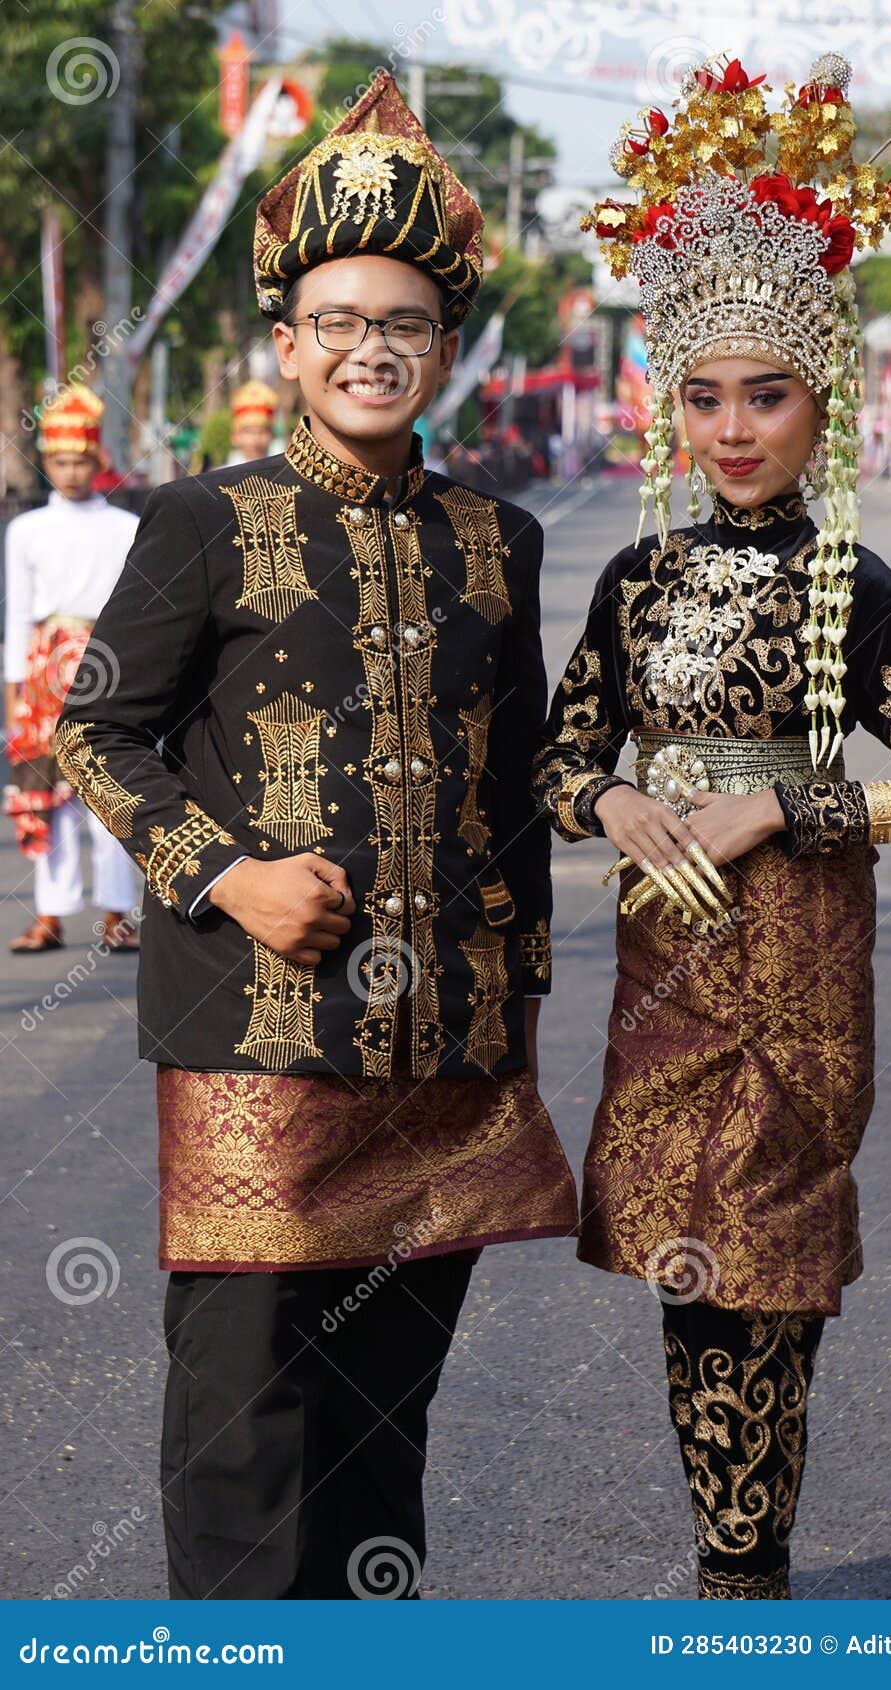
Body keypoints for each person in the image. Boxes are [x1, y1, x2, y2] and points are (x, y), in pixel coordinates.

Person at [55, 71, 577, 1601]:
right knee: (245, 1417)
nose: (370, 349)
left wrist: (517, 1008)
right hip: (254, 1035)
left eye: (404, 323)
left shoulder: (496, 536)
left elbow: (514, 780)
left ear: (445, 347)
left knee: (380, 1421)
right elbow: (93, 730)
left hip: (444, 1049)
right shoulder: (202, 520)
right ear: (285, 341)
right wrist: (227, 873)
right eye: (338, 321)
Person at [533, 51, 891, 1600]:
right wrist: (613, 794)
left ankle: (749, 1564)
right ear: (669, 405)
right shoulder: (634, 582)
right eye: (704, 396)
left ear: (822, 405)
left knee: (769, 1257)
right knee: (686, 1261)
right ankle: (725, 1560)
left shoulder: (851, 587)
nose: (732, 428)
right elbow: (557, 758)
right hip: (663, 960)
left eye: (767, 395)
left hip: (798, 964)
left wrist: (782, 803)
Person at [4, 384, 141, 954]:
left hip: (107, 663)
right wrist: (13, 693)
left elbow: (138, 612)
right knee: (46, 793)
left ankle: (117, 914)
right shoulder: (26, 530)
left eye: (79, 460)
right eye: (59, 461)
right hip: (43, 672)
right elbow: (18, 613)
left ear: (96, 459)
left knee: (110, 788)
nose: (70, 471)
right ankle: (51, 915)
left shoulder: (126, 527)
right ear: (47, 461)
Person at [226, 379, 280, 464]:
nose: (255, 440)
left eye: (262, 432)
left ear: (272, 435)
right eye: (248, 432)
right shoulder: (224, 472)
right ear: (235, 436)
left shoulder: (282, 470)